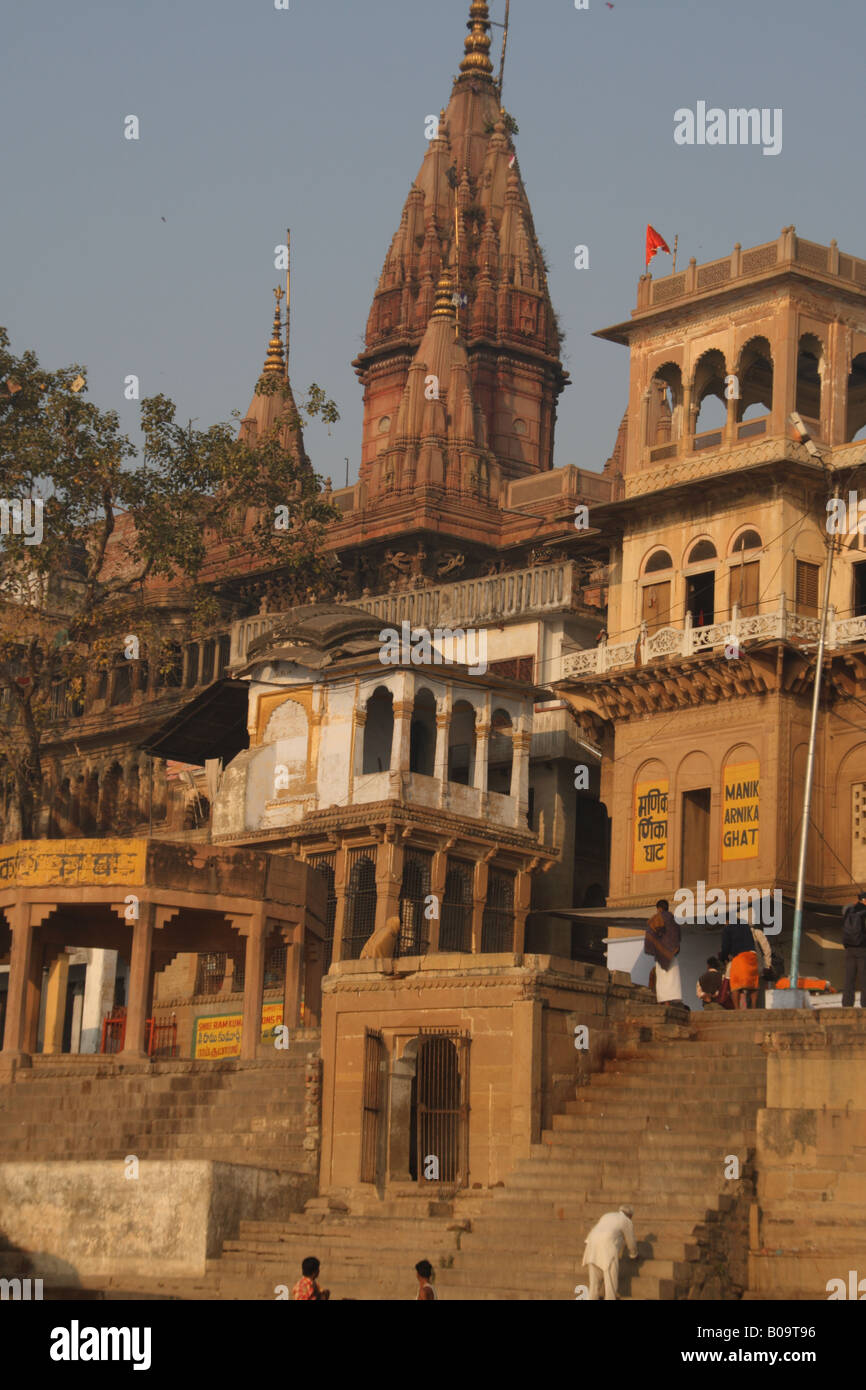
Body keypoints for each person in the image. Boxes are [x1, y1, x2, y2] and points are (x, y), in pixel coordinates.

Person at [583, 1205, 638, 1301]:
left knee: (593, 1286)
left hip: (591, 1247)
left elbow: (594, 1231)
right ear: (630, 1215)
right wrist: (633, 1254)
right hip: (607, 1250)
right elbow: (631, 1242)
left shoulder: (607, 1215)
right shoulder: (626, 1221)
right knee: (610, 1287)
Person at [644, 899, 682, 1004]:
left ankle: (664, 1003)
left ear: (659, 908)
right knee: (672, 980)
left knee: (662, 980)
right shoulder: (675, 920)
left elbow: (650, 933)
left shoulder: (658, 918)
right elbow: (678, 937)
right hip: (672, 955)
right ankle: (670, 1002)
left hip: (662, 955)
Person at [719, 914, 759, 1009]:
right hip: (752, 955)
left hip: (740, 957)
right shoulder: (744, 924)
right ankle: (753, 1007)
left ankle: (737, 1009)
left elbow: (725, 947)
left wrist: (723, 957)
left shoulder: (728, 928)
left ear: (726, 920)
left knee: (735, 983)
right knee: (753, 982)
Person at [841, 888, 866, 1007]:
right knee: (863, 978)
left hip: (849, 949)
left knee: (849, 978)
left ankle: (846, 1004)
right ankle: (865, 1004)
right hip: (862, 949)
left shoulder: (848, 910)